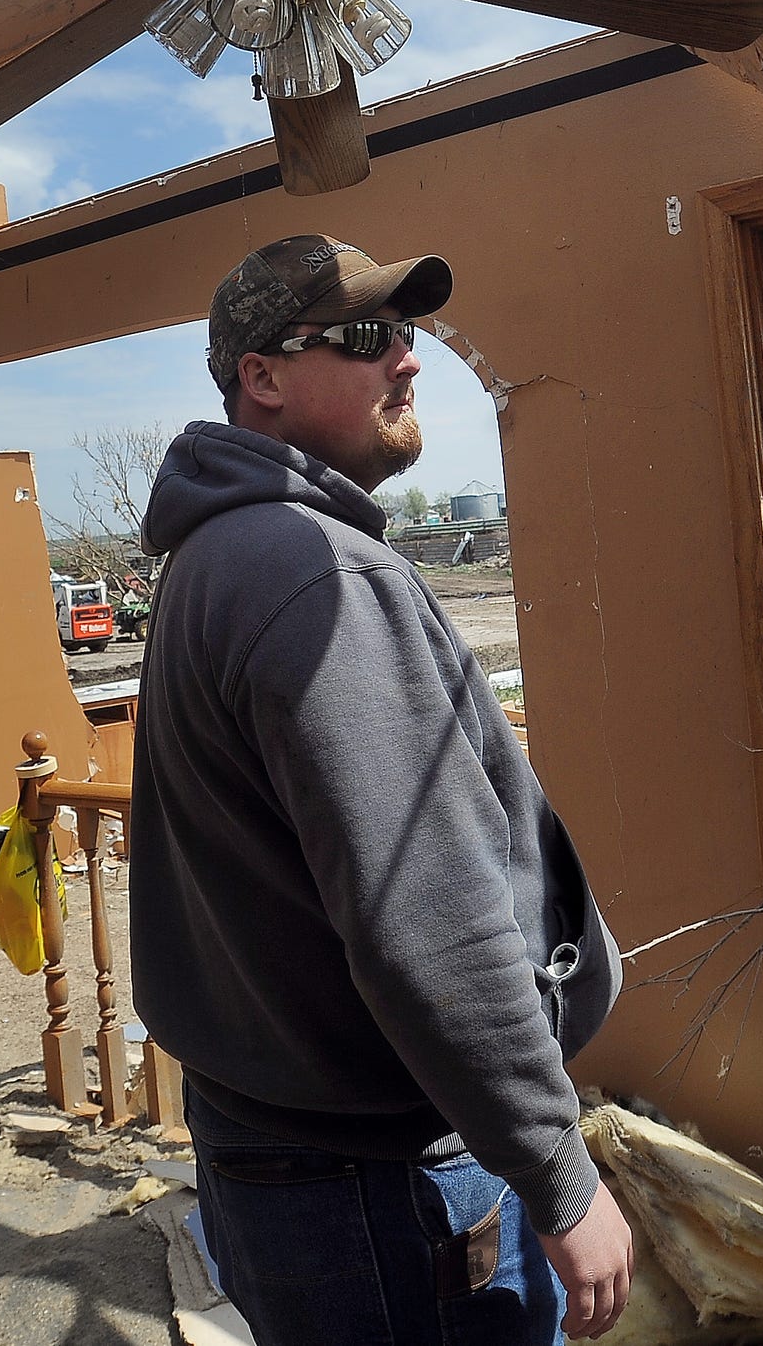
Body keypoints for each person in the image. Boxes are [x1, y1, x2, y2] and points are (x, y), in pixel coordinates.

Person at [130, 234, 633, 1344]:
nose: (407, 358)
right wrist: (557, 1169)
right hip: (384, 1186)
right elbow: (431, 920)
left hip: (284, 1156)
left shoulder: (221, 555)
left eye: (408, 333)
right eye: (365, 337)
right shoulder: (318, 576)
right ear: (260, 376)